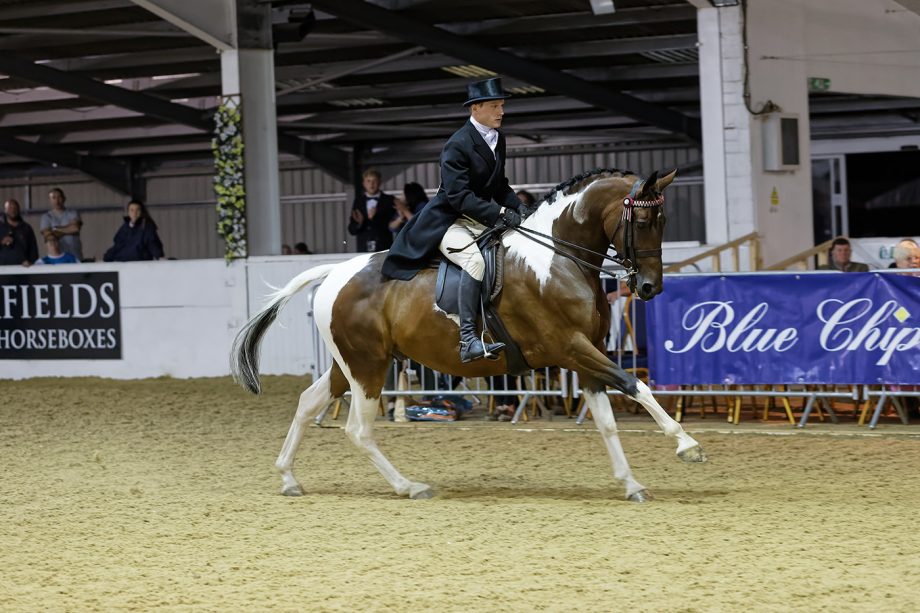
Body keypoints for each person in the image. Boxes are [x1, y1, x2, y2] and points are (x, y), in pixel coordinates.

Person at [382, 77, 529, 363]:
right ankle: (468, 339)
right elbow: (458, 197)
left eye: (502, 105)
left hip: (478, 218)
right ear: (476, 108)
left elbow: (499, 186)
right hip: (450, 221)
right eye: (495, 106)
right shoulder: (457, 145)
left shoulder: (498, 138)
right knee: (474, 261)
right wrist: (500, 213)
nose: (501, 112)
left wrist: (520, 208)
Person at [348, 168, 395, 252]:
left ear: (379, 182)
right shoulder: (359, 201)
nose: (371, 184)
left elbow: (393, 225)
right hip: (364, 248)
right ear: (364, 183)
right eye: (368, 181)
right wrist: (359, 223)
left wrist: (376, 217)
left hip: (384, 246)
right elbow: (352, 229)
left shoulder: (389, 200)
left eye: (374, 181)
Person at [40, 187, 83, 261]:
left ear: (64, 198)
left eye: (59, 197)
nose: (57, 200)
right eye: (53, 198)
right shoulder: (46, 217)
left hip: (75, 257)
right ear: (50, 200)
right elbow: (47, 235)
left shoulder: (73, 213)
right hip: (57, 259)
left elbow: (75, 228)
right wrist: (68, 229)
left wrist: (55, 229)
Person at [0, 198, 39, 267]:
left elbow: (33, 249)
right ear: (5, 210)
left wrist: (31, 263)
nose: (13, 210)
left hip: (23, 270)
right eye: (10, 208)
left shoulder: (26, 228)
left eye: (15, 208)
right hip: (2, 270)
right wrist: (2, 242)